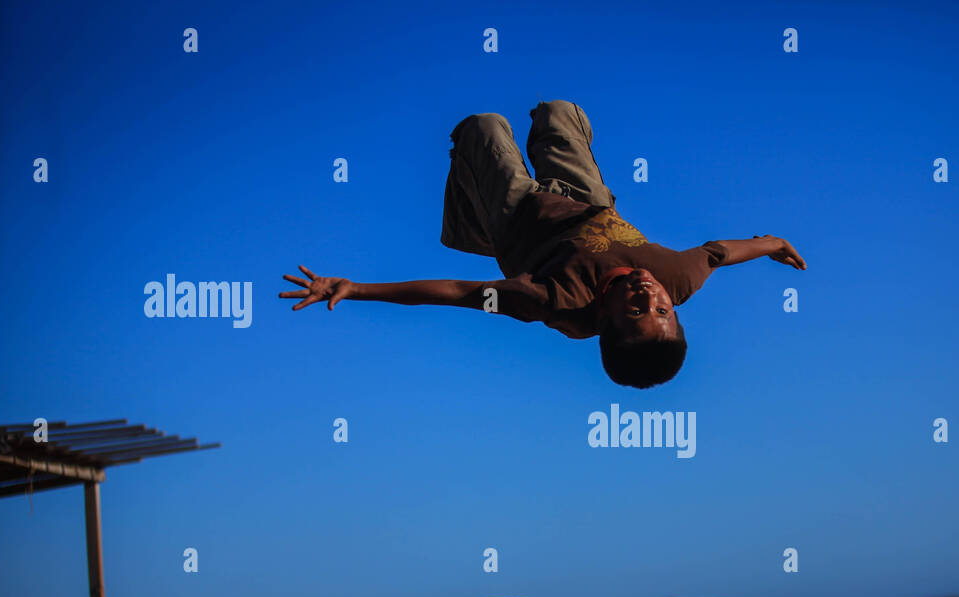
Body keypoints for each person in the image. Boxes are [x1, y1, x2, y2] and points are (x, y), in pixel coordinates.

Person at [281, 100, 805, 388]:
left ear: (607, 320)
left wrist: (356, 288)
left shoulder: (554, 299)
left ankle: (468, 224)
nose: (649, 292)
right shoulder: (680, 277)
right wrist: (772, 241)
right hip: (587, 200)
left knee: (484, 128)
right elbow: (720, 251)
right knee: (557, 112)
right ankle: (548, 143)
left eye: (639, 308)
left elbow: (459, 292)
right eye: (662, 307)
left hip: (519, 219)